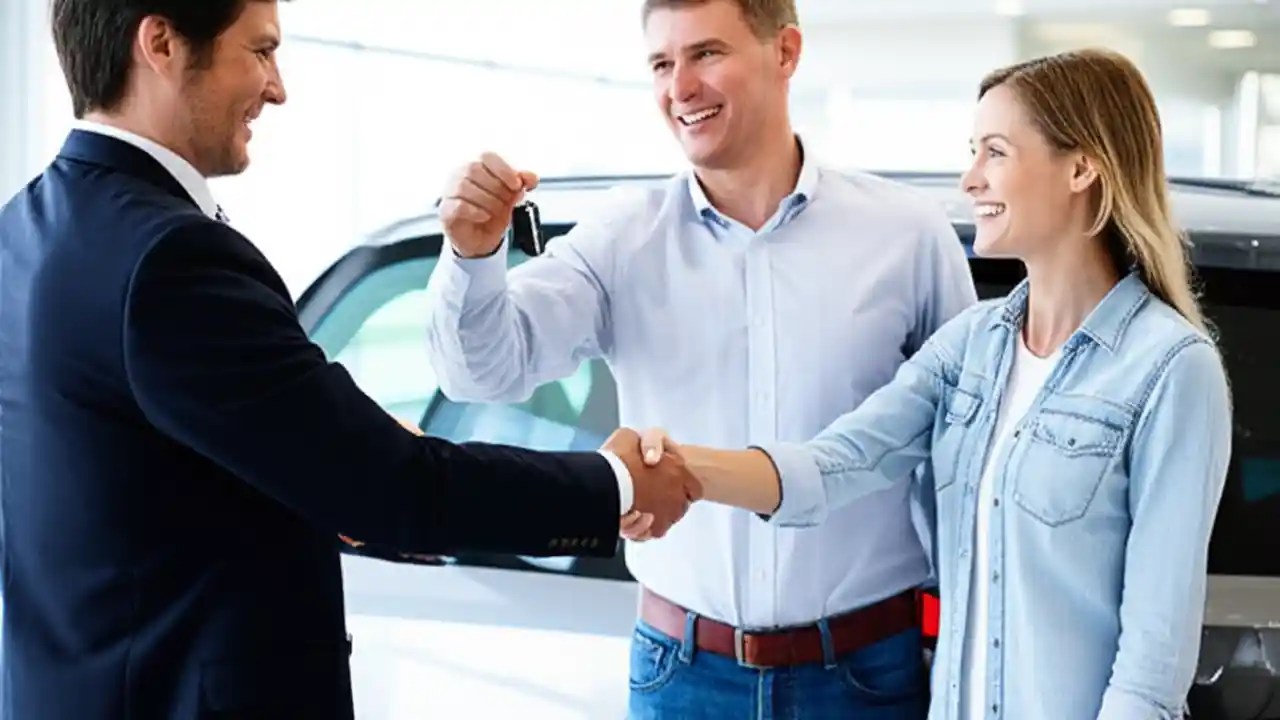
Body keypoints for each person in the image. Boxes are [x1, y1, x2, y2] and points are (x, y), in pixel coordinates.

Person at [0, 2, 702, 718]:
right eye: (261, 51)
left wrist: (329, 462)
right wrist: (613, 486)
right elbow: (388, 489)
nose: (278, 88)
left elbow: (131, 477)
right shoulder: (168, 257)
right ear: (161, 44)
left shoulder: (25, 230)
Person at [628, 48, 1234, 720]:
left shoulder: (1171, 368)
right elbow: (834, 467)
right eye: (972, 152)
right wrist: (683, 468)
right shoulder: (972, 346)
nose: (970, 180)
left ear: (1082, 167)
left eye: (995, 153)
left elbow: (1149, 675)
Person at [424, 0, 976, 716]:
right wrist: (472, 254)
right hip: (681, 674)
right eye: (662, 63)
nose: (679, 87)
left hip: (867, 674)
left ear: (786, 52)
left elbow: (964, 464)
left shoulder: (906, 236)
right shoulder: (622, 239)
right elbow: (484, 370)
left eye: (706, 53)